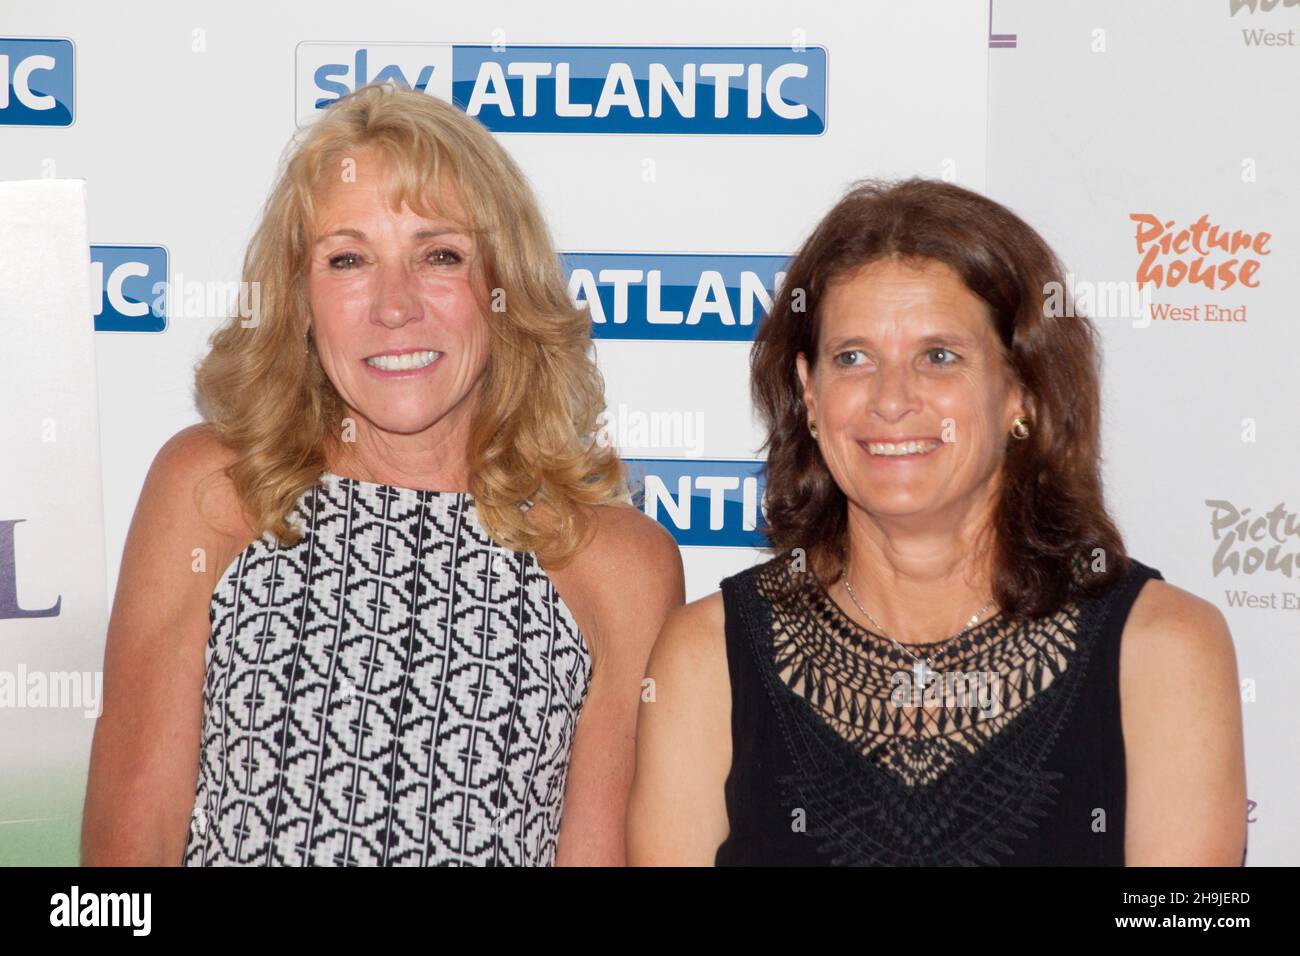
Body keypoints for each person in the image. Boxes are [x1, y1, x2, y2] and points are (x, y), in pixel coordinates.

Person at [81, 82, 683, 866]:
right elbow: (126, 858)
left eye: (439, 255)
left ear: (505, 292)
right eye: (348, 259)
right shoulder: (212, 492)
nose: (394, 306)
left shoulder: (618, 565)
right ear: (299, 300)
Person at [627, 178, 1247, 866]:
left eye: (939, 357)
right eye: (853, 358)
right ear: (808, 392)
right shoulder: (704, 657)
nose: (891, 400)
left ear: (1023, 390)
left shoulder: (1163, 648)